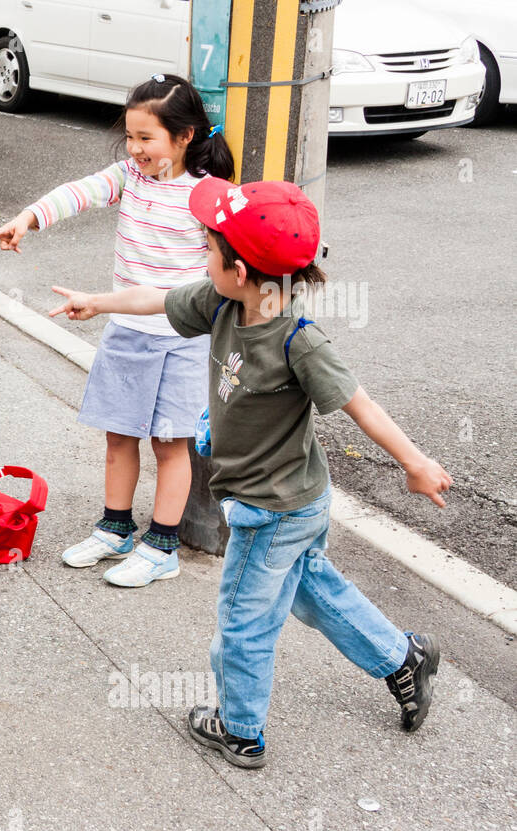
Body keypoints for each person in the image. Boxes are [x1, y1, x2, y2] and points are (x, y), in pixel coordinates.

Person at [50, 178, 450, 767]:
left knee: (242, 623)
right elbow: (155, 298)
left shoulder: (300, 342)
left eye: (208, 248)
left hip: (274, 509)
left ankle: (239, 729)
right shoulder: (222, 303)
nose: (201, 254)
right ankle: (402, 658)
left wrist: (416, 464)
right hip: (293, 501)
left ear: (239, 269)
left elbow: (360, 403)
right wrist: (97, 301)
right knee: (312, 590)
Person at [0, 74, 234, 588]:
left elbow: (226, 265)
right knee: (119, 435)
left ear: (185, 137)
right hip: (126, 329)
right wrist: (28, 218)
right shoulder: (130, 177)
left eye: (147, 139)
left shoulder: (209, 195)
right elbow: (79, 193)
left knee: (169, 445)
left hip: (184, 338)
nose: (135, 149)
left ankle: (162, 546)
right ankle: (115, 528)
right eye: (131, 137)